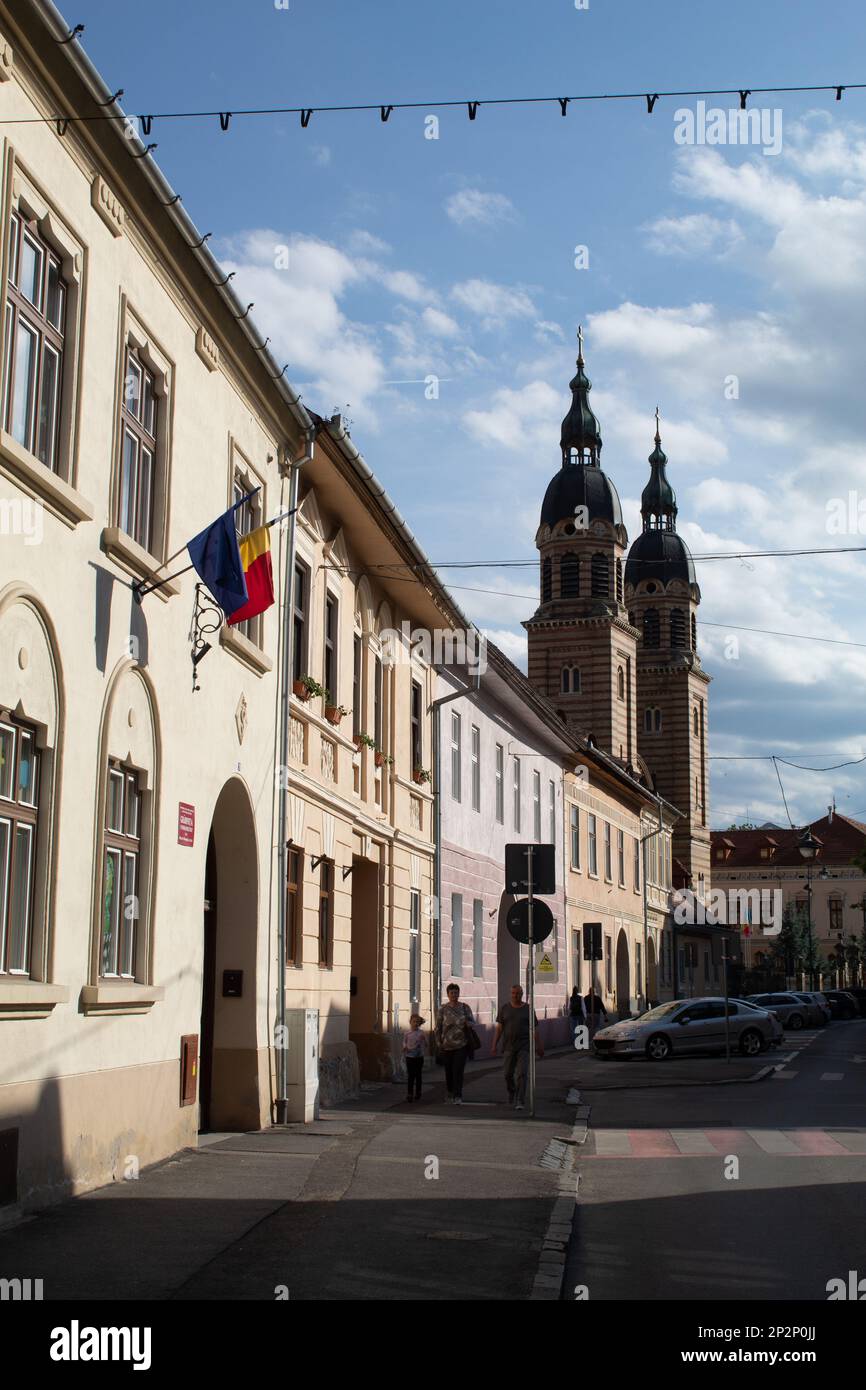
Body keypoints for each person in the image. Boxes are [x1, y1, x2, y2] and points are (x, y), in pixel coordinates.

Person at [490, 983, 543, 1111]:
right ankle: (512, 1090)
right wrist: (494, 1045)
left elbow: (535, 1030)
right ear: (511, 994)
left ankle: (520, 1100)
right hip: (508, 1046)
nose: (515, 995)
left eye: (518, 993)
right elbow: (499, 1028)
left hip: (524, 1047)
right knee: (507, 1074)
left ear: (522, 994)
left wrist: (539, 1046)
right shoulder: (505, 1009)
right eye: (513, 993)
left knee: (522, 1073)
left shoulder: (528, 1009)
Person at [434, 983, 475, 1105]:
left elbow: (472, 1022)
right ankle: (450, 1092)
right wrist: (438, 1043)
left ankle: (458, 1095)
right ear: (448, 994)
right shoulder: (443, 1009)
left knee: (458, 1070)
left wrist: (469, 1023)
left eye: (456, 993)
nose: (454, 995)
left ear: (459, 994)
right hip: (447, 1045)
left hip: (461, 1044)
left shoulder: (465, 1007)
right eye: (452, 993)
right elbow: (438, 1027)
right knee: (449, 1071)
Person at [402, 1013, 426, 1103]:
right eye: (414, 1021)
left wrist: (423, 1040)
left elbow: (425, 1044)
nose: (415, 1023)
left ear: (419, 1024)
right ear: (410, 1022)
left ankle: (418, 1092)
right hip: (409, 1056)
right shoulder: (407, 1033)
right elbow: (404, 1042)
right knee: (411, 1076)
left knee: (418, 1075)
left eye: (417, 1022)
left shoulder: (421, 1033)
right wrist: (404, 1047)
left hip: (419, 1057)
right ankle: (409, 1094)